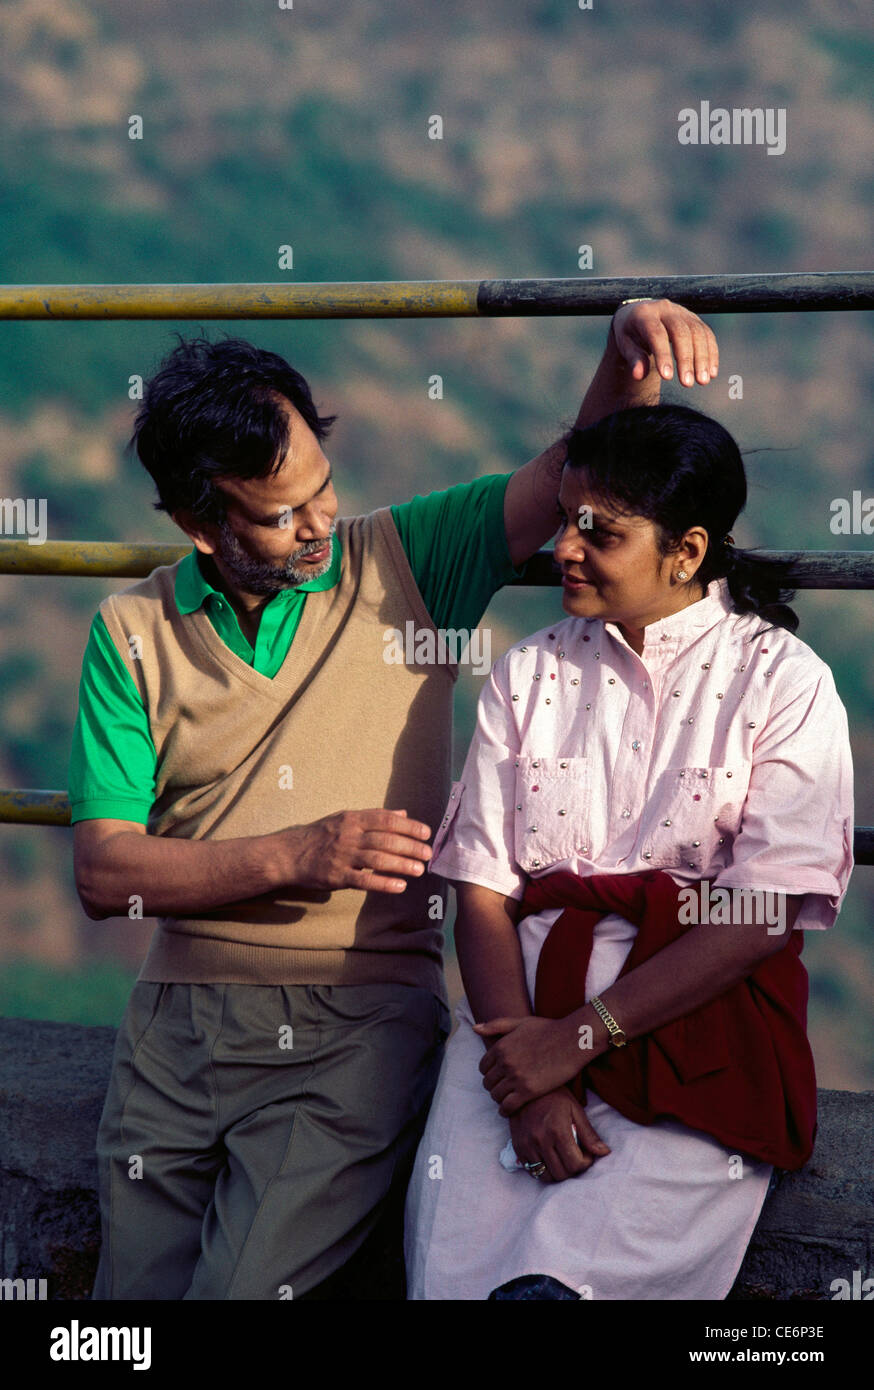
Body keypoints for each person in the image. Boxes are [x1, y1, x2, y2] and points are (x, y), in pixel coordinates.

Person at [69, 302, 717, 1301]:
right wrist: (299, 853)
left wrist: (624, 351)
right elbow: (107, 872)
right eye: (282, 513)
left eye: (322, 489)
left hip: (353, 1022)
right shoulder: (130, 629)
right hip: (170, 1025)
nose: (321, 522)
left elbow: (566, 478)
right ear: (201, 523)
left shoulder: (405, 563)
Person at [405, 401, 854, 1301]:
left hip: (693, 1024)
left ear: (686, 552)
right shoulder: (529, 672)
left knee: (568, 1290)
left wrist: (582, 1039)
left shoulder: (782, 681)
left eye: (598, 533)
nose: (564, 548)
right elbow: (483, 889)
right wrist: (528, 1078)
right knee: (458, 1281)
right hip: (515, 1022)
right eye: (568, 520)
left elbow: (764, 914)